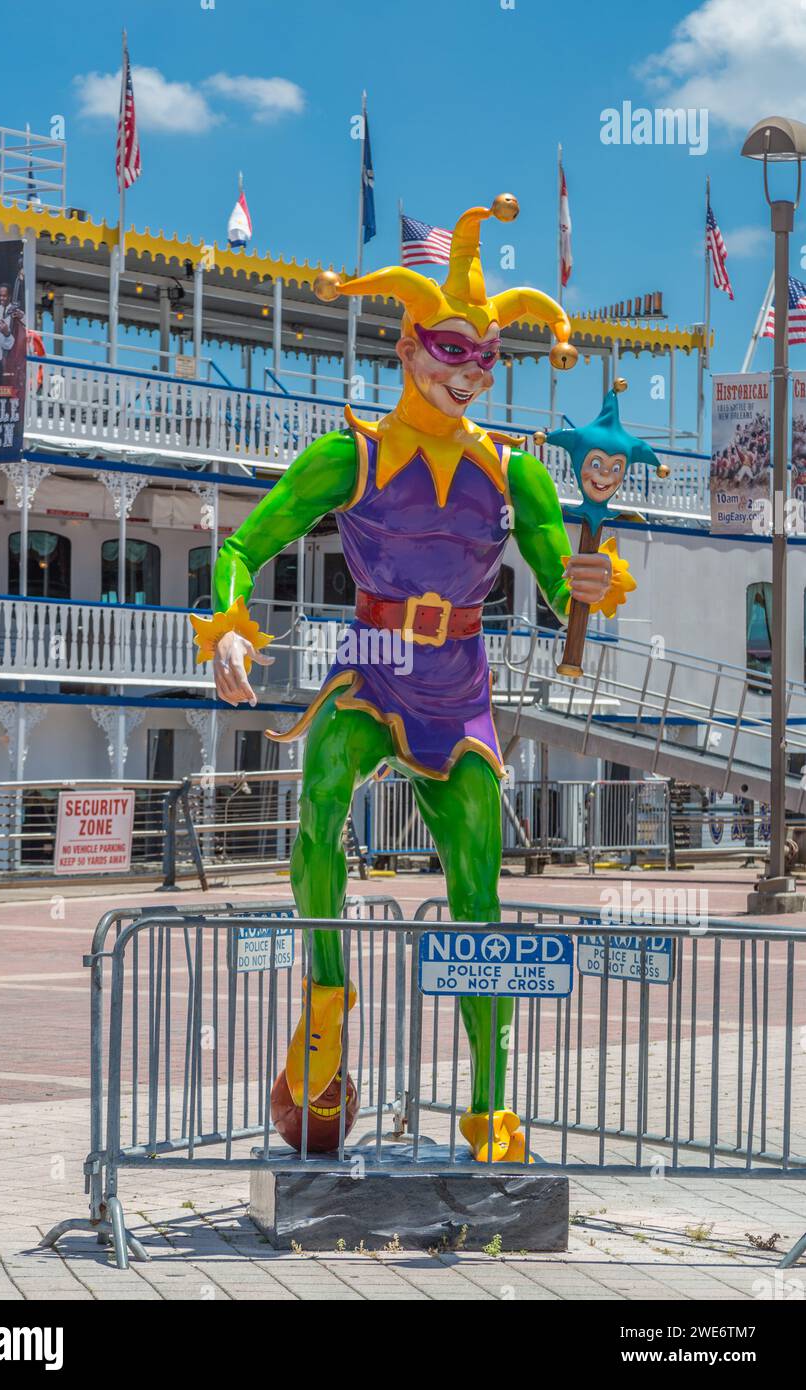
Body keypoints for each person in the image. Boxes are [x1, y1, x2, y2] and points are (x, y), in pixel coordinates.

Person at [192, 196, 634, 1162]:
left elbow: (564, 587)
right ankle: (327, 1000)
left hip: (460, 682)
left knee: (479, 889)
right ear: (407, 346)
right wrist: (228, 624)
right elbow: (245, 543)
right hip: (374, 662)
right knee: (320, 796)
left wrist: (593, 586)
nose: (470, 371)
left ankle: (488, 1108)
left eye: (487, 357)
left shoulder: (515, 475)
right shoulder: (349, 454)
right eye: (452, 348)